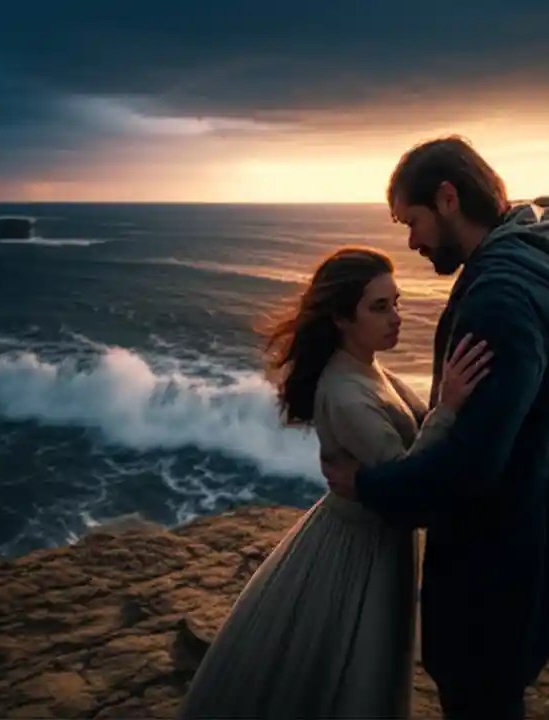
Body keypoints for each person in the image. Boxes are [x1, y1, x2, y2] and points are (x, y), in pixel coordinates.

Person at [322, 136, 549, 720]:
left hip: (489, 585)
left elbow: (469, 467)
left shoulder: (499, 299)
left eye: (412, 221)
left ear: (447, 198)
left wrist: (365, 486)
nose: (412, 241)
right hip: (524, 563)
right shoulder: (530, 274)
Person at [177, 247, 492, 719]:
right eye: (379, 307)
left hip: (374, 539)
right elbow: (408, 480)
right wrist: (448, 408)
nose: (396, 318)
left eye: (396, 302)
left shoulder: (366, 365)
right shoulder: (345, 392)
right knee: (356, 674)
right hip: (360, 551)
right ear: (343, 319)